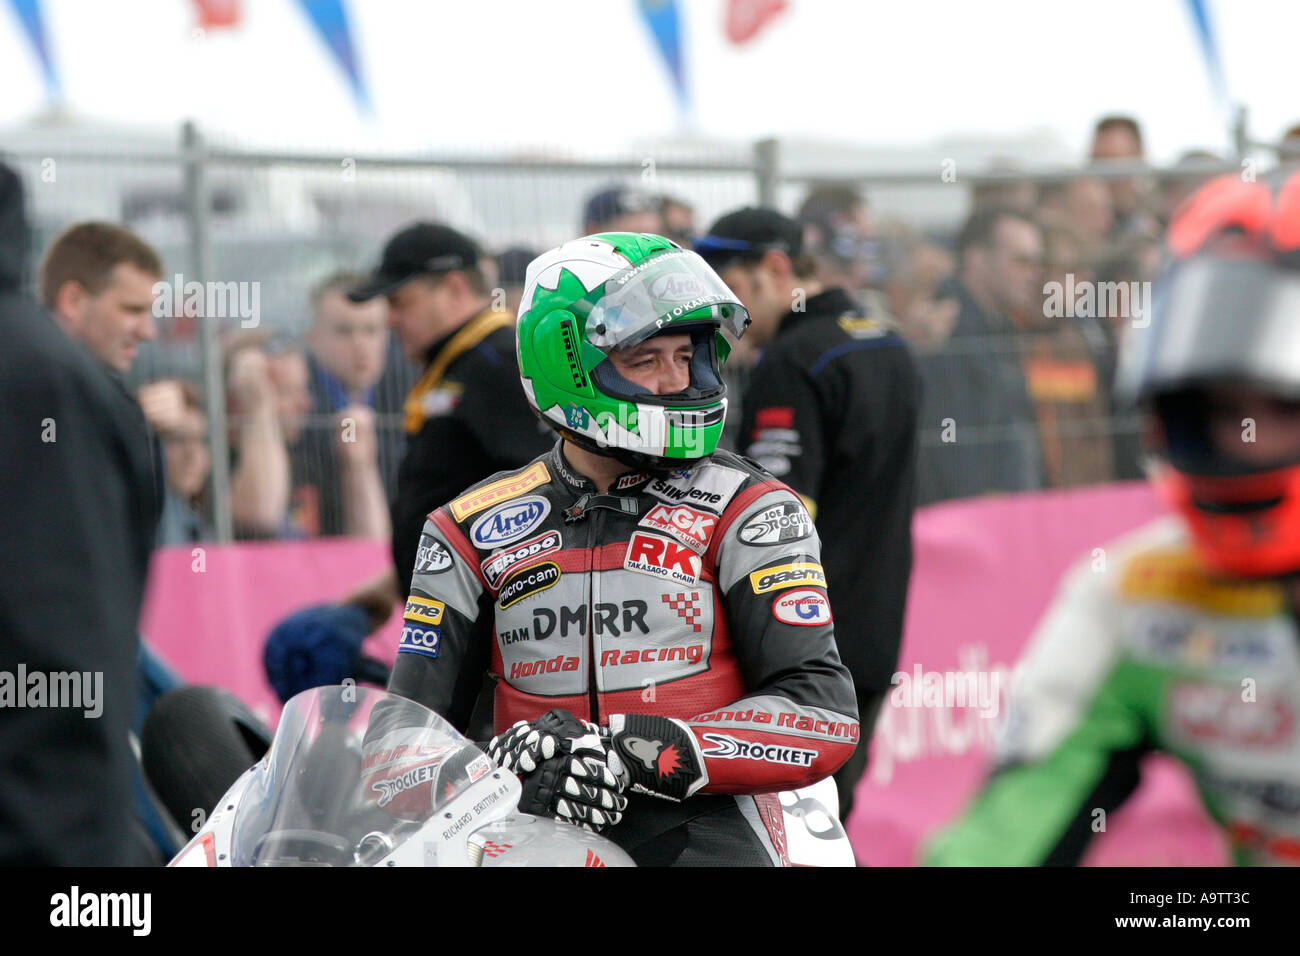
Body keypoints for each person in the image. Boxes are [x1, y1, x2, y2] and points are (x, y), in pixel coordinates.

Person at [376, 232, 859, 866]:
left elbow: (821, 712)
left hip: (712, 827)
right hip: (522, 833)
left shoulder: (752, 510)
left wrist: (640, 754)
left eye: (686, 356)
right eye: (646, 359)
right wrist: (497, 767)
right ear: (570, 364)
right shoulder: (466, 528)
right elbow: (398, 745)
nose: (677, 380)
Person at [925, 168, 1300, 866]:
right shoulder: (1141, 596)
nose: (1246, 437)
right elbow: (1002, 839)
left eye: (1282, 399)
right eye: (1219, 405)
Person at [695, 207, 919, 823]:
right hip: (876, 626)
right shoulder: (885, 336)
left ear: (776, 269)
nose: (726, 319)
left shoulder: (794, 359)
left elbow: (778, 517)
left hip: (806, 640)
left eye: (731, 291)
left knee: (793, 829)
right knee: (832, 820)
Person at [1, 171, 161, 863]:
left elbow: (61, 666)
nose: (147, 330)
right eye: (130, 309)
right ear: (74, 298)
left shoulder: (43, 388)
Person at [914, 206, 1046, 505]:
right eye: (1021, 261)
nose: (1034, 275)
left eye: (1037, 263)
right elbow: (951, 450)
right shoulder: (946, 331)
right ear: (977, 258)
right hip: (972, 524)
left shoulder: (998, 328)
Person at [296, 271, 411, 538]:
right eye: (344, 331)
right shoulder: (296, 401)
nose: (360, 345)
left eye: (371, 331)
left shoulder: (411, 391)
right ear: (314, 338)